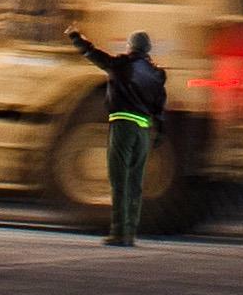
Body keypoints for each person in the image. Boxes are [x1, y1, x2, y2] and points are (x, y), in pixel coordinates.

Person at [66, 26, 170, 244]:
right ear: (148, 49)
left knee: (119, 180)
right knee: (135, 183)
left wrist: (76, 38)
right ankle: (130, 233)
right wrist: (159, 131)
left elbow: (92, 54)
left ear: (130, 46)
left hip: (123, 125)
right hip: (143, 130)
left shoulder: (121, 65)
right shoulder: (156, 75)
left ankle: (118, 233)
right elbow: (159, 106)